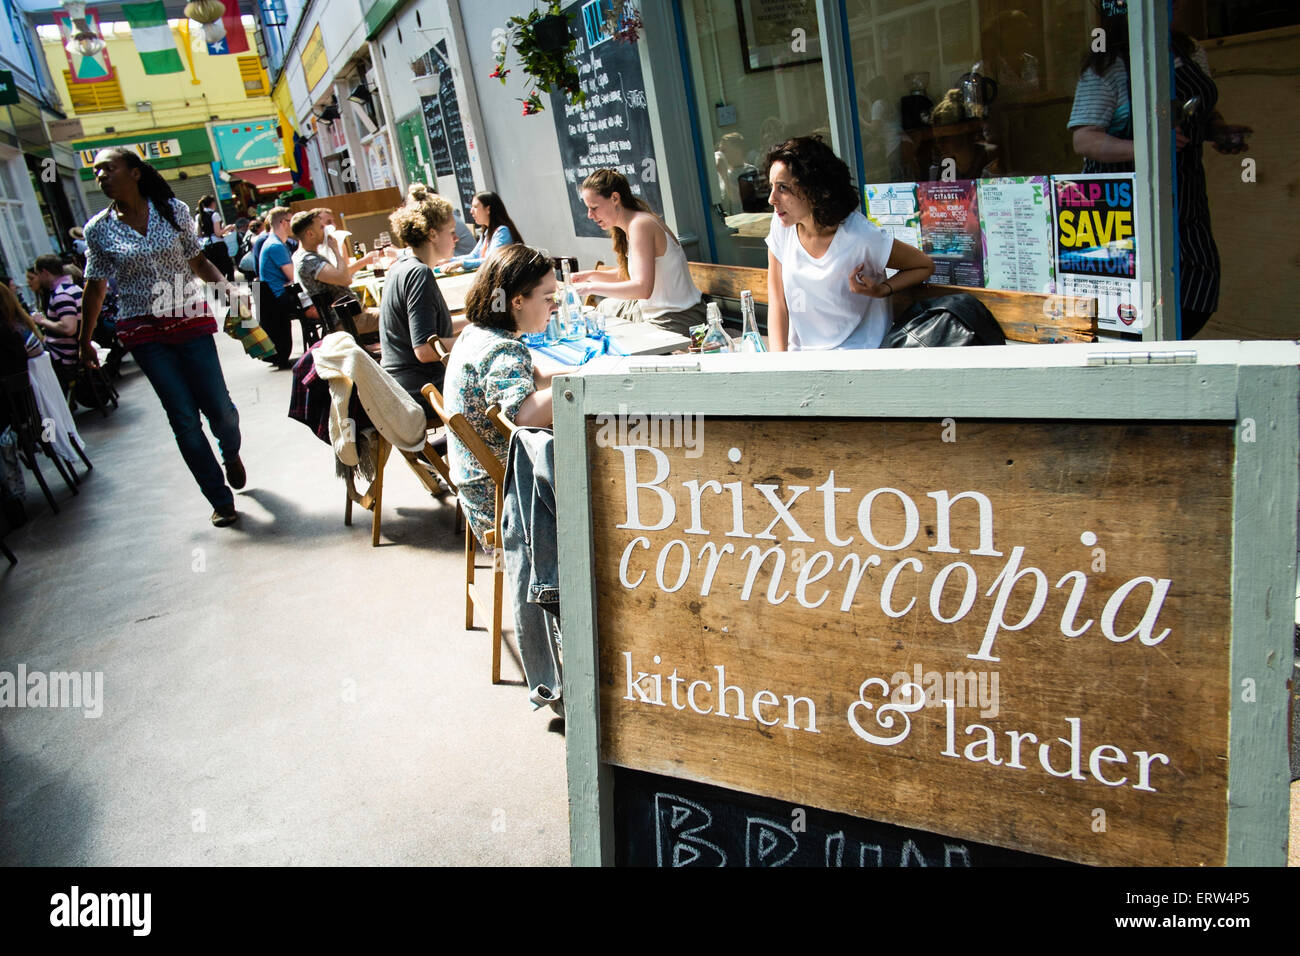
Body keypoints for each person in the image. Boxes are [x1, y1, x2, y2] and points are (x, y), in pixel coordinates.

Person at [80, 147, 245, 527]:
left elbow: (198, 262)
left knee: (219, 408)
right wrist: (84, 339)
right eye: (96, 172)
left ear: (135, 172)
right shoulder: (98, 229)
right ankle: (219, 498)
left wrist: (229, 293)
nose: (100, 177)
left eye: (108, 168)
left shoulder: (172, 210)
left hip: (189, 320)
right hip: (143, 331)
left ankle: (231, 451)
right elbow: (96, 286)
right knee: (183, 418)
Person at [1068, 0, 1248, 339]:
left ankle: (1160, 350)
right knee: (1134, 301)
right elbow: (1085, 140)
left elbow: (1201, 111)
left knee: (1198, 282)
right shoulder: (1108, 67)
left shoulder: (1188, 50)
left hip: (1184, 191)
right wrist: (1149, 148)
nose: (1176, 4)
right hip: (1122, 202)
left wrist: (1218, 130)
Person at [764, 136, 935, 351]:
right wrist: (779, 366)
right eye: (771, 186)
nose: (772, 199)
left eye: (783, 188)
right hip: (803, 361)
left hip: (859, 359)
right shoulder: (782, 226)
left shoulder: (860, 236)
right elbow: (777, 302)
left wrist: (883, 289)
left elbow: (924, 265)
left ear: (815, 189)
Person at [444, 244, 556, 545]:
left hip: (476, 488)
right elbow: (523, 416)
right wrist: (577, 388)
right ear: (517, 300)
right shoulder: (502, 349)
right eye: (548, 298)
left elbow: (534, 377)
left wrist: (588, 370)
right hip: (503, 500)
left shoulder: (476, 333)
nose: (554, 306)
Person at [570, 168, 706, 336]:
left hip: (677, 317)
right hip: (653, 311)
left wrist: (590, 288)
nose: (590, 215)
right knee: (601, 311)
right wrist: (590, 275)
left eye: (594, 207)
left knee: (614, 341)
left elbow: (642, 288)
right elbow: (630, 275)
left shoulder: (641, 225)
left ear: (615, 198)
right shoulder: (631, 225)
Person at [378, 195, 461, 410]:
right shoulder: (419, 273)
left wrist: (477, 322)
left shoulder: (401, 266)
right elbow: (424, 349)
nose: (456, 238)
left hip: (403, 385)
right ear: (432, 234)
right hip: (422, 390)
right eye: (451, 232)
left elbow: (429, 329)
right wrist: (474, 340)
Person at [290, 210, 379, 333]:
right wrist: (336, 250)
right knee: (399, 315)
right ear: (310, 234)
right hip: (347, 321)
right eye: (321, 227)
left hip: (351, 316)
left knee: (394, 310)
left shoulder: (307, 257)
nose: (325, 230)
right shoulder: (308, 260)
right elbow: (345, 279)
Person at [439, 191, 523, 274]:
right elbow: (474, 256)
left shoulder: (502, 231)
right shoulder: (487, 232)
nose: (471, 211)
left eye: (475, 207)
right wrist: (449, 260)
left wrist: (460, 263)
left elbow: (491, 260)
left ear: (488, 209)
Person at [29, 255, 82, 384]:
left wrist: (42, 321)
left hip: (64, 356)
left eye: (37, 274)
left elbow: (68, 328)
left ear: (45, 272)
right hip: (73, 350)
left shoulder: (61, 295)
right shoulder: (73, 288)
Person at [257, 206, 297, 368]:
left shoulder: (274, 242)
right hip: (279, 298)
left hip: (272, 298)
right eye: (291, 220)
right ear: (283, 223)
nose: (293, 224)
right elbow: (294, 276)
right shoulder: (276, 246)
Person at [196, 195, 235, 280]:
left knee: (214, 271)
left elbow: (199, 234)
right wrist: (228, 228)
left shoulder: (199, 216)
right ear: (213, 203)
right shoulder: (214, 214)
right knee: (228, 269)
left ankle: (217, 292)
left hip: (206, 245)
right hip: (218, 244)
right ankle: (231, 289)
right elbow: (218, 233)